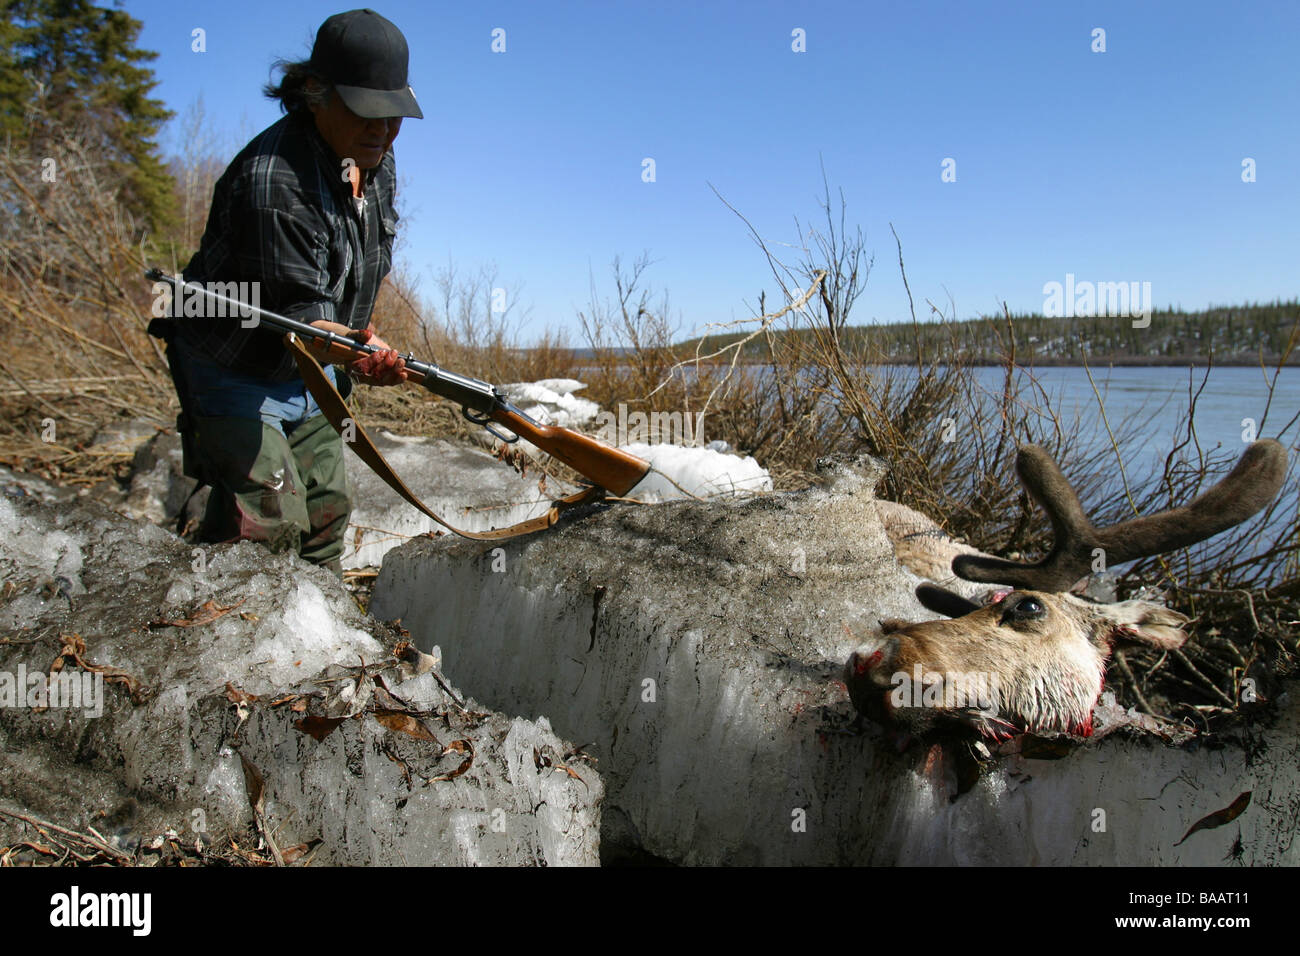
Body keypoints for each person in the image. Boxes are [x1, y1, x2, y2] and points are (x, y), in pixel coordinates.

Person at [166, 9, 422, 577]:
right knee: (269, 520)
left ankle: (319, 648)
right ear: (315, 93)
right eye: (366, 110)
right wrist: (361, 350)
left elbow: (361, 268)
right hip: (234, 368)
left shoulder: (373, 158)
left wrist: (356, 350)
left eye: (394, 114)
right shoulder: (274, 182)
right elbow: (300, 322)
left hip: (313, 373)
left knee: (328, 515)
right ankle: (220, 634)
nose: (382, 128)